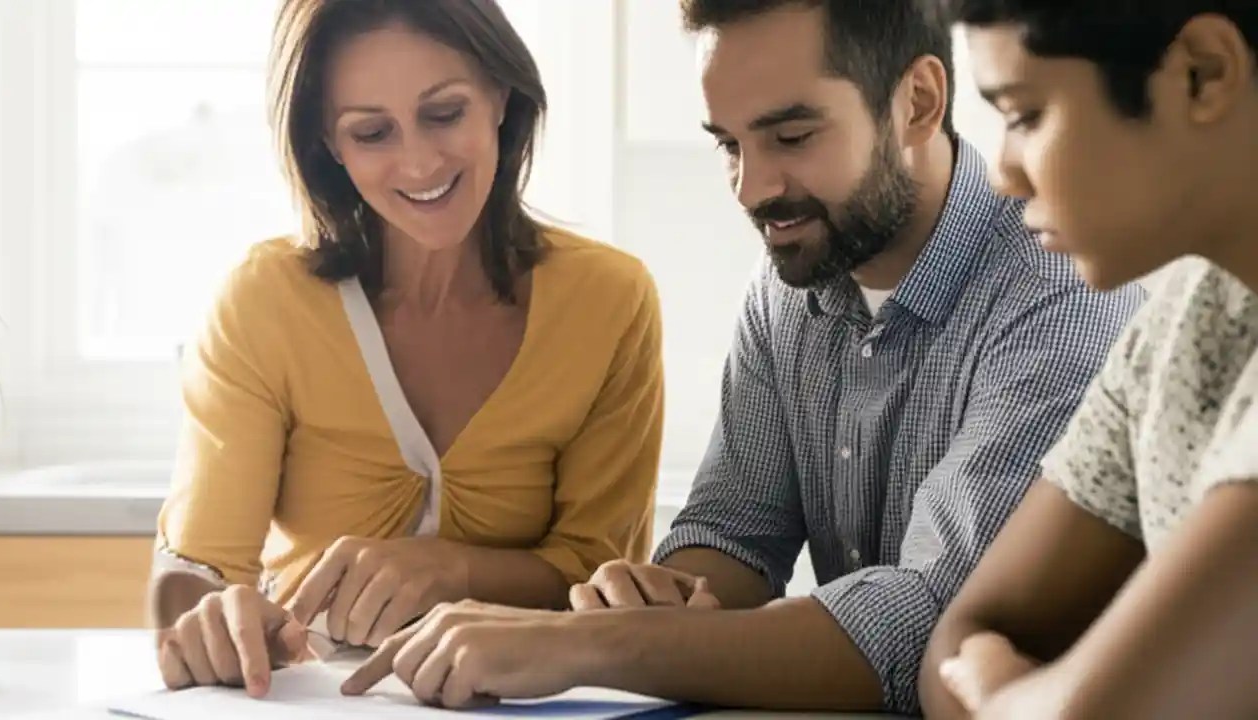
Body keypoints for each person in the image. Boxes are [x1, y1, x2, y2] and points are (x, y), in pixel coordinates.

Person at [337, 1, 1144, 714]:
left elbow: (934, 621)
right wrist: (655, 597)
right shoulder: (793, 278)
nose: (751, 188)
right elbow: (733, 530)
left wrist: (586, 647)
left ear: (918, 102)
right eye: (728, 143)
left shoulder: (1062, 292)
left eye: (790, 136)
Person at [149, 0, 665, 698]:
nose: (419, 161)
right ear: (330, 145)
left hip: (531, 699)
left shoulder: (610, 300)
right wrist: (209, 624)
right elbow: (197, 574)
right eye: (371, 131)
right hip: (311, 703)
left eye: (444, 113)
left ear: (500, 97)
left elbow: (602, 575)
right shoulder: (264, 301)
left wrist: (450, 568)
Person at [917, 2, 1258, 719]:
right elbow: (958, 643)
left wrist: (1005, 690)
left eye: (1026, 115)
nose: (1004, 174)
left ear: (1202, 74)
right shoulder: (1183, 320)